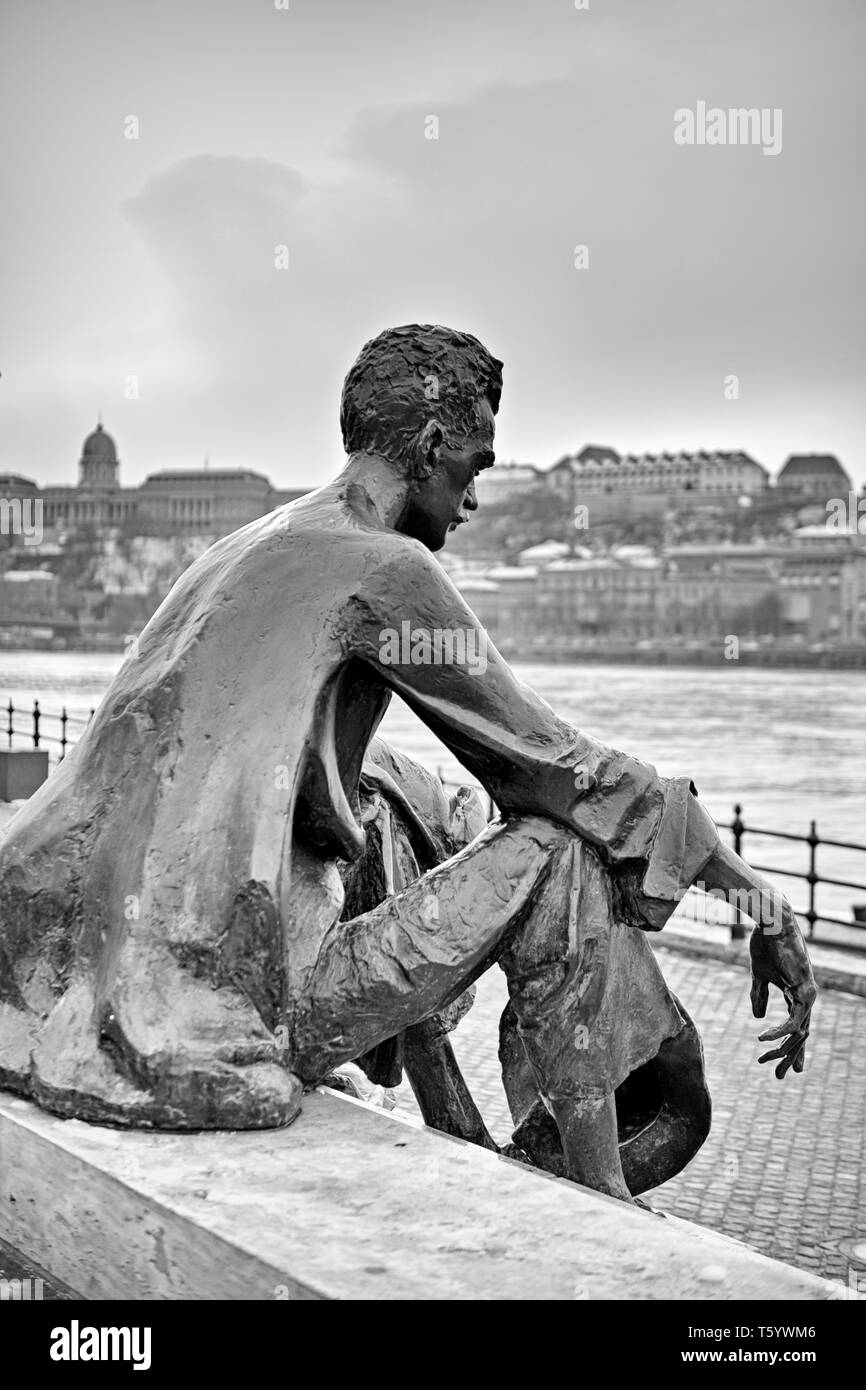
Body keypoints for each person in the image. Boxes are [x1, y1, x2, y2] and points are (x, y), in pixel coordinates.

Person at [0, 324, 816, 1200]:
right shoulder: (386, 571)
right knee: (555, 850)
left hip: (109, 983)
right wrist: (751, 894)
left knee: (385, 787)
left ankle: (466, 1128)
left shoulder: (246, 548)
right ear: (431, 448)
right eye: (475, 466)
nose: (471, 501)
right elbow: (555, 767)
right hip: (245, 1004)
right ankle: (597, 1199)